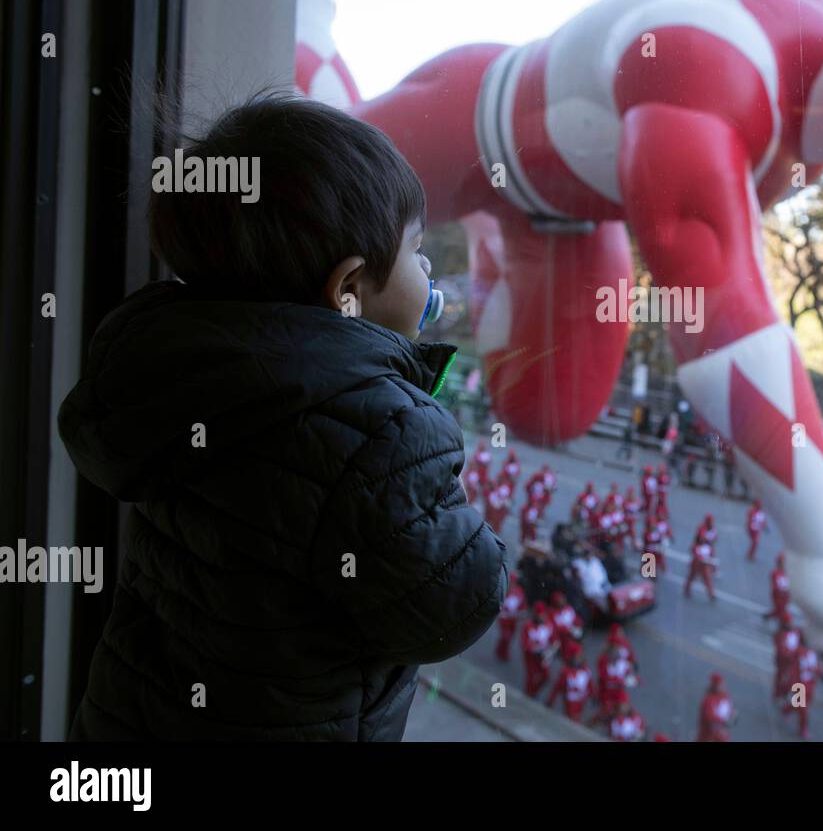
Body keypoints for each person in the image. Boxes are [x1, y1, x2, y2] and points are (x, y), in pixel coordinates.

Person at [56, 94, 507, 741]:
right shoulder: (383, 428)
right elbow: (452, 604)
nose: (429, 267)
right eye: (415, 248)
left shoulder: (175, 375)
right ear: (348, 290)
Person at [546, 641, 593, 723]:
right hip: (570, 701)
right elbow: (557, 687)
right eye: (577, 656)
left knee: (578, 716)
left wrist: (593, 695)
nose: (580, 658)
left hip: (581, 700)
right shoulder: (566, 672)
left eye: (581, 656)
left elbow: (590, 684)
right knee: (572, 719)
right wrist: (550, 700)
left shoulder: (585, 670)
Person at [521, 602, 557, 698]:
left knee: (545, 676)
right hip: (531, 656)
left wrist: (550, 651)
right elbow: (524, 643)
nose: (541, 617)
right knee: (531, 676)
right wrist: (535, 649)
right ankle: (528, 693)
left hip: (544, 655)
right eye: (539, 615)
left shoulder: (549, 625)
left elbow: (554, 640)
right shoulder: (528, 626)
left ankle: (534, 691)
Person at [495, 573, 528, 661]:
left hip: (513, 619)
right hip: (504, 619)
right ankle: (502, 653)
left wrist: (521, 613)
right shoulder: (504, 591)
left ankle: (501, 651)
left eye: (514, 582)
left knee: (510, 636)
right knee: (506, 636)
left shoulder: (519, 592)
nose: (512, 583)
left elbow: (522, 605)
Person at [697, 673, 736, 742]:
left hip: (719, 734)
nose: (721, 686)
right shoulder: (709, 699)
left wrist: (732, 716)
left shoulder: (725, 698)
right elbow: (709, 717)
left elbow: (729, 712)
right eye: (718, 684)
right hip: (709, 735)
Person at [684, 532, 719, 601]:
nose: (702, 540)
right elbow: (694, 553)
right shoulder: (695, 546)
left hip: (704, 566)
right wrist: (701, 558)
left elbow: (712, 556)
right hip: (696, 566)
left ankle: (711, 593)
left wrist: (713, 566)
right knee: (691, 578)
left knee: (708, 579)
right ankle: (687, 589)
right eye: (701, 538)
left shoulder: (708, 547)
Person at [764, 552, 791, 620]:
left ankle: (768, 615)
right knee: (782, 612)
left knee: (779, 610)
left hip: (785, 595)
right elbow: (776, 586)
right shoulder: (776, 573)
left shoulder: (787, 572)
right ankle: (784, 626)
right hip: (778, 596)